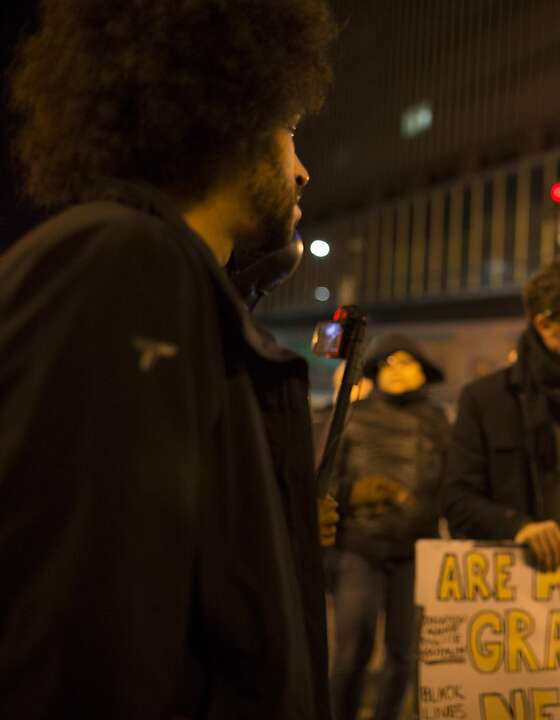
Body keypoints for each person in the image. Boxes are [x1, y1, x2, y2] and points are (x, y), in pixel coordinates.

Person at [0, 2, 336, 718]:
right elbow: (82, 625)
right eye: (290, 132)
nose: (302, 171)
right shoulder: (123, 265)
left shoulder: (178, 288)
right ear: (228, 112)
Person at [441, 256, 560, 570]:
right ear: (546, 326)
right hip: (513, 593)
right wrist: (518, 526)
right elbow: (457, 499)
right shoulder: (486, 400)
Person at [329, 334, 450, 720]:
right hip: (360, 548)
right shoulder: (353, 414)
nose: (397, 371)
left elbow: (450, 483)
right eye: (389, 363)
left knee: (404, 651)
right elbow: (326, 482)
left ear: (423, 370)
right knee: (352, 649)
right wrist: (353, 494)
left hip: (415, 550)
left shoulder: (437, 421)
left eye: (407, 362)